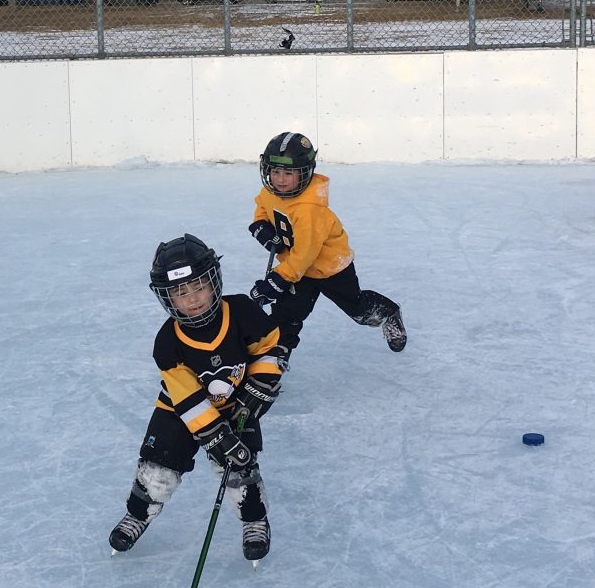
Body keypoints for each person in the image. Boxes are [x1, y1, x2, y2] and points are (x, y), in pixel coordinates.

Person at [108, 234, 285, 565]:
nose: (192, 299)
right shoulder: (167, 342)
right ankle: (138, 513)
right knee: (157, 467)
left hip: (236, 405)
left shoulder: (243, 311)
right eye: (179, 292)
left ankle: (254, 520)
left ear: (214, 281)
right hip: (180, 411)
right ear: (167, 298)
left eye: (198, 286)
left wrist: (260, 386)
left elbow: (269, 348)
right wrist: (218, 437)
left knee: (240, 466)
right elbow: (187, 398)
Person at [248, 132, 406, 367]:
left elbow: (305, 255)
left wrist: (276, 281)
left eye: (289, 173)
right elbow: (262, 206)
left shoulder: (310, 210)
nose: (280, 179)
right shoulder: (272, 192)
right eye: (275, 171)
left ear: (304, 173)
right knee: (286, 316)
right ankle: (273, 362)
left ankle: (388, 312)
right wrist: (261, 225)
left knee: (359, 310)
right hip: (298, 271)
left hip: (331, 268)